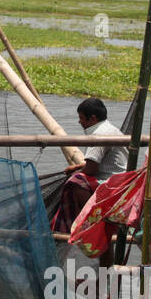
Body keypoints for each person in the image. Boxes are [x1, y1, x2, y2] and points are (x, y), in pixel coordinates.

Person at [51, 97, 127, 235]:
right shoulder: (111, 129)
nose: (79, 121)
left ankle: (93, 218)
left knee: (75, 181)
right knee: (77, 174)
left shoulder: (99, 135)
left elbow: (91, 169)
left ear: (92, 118)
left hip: (110, 185)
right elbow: (98, 162)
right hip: (121, 182)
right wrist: (77, 167)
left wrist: (76, 173)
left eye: (81, 118)